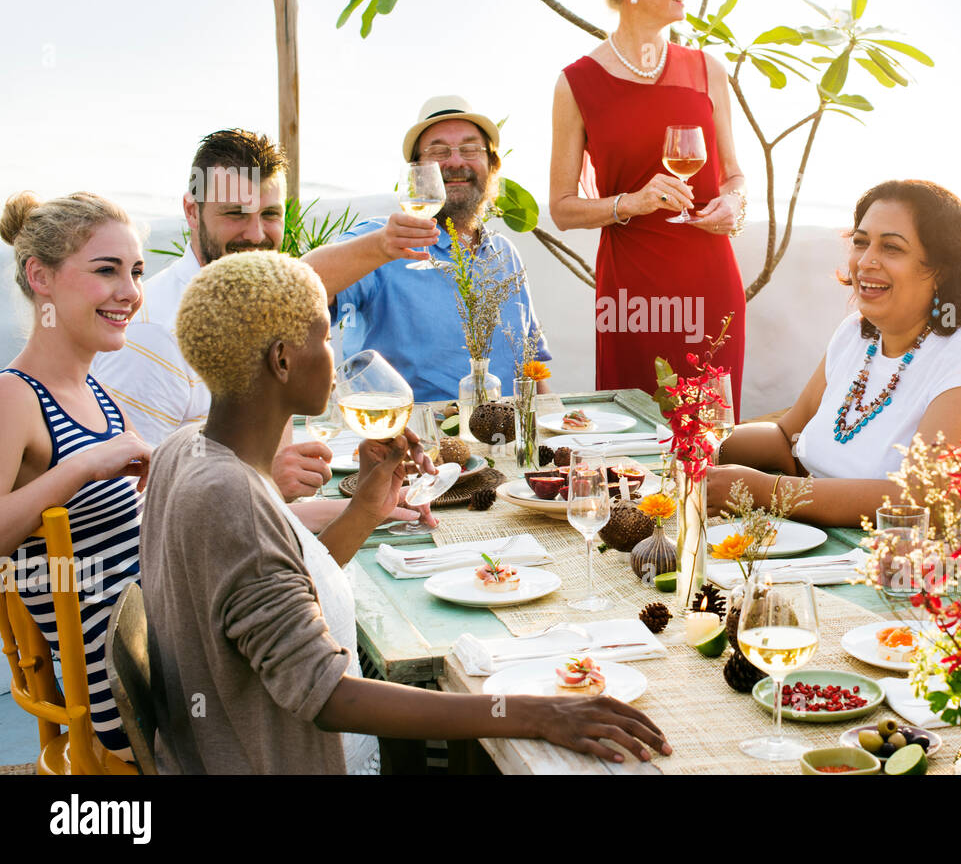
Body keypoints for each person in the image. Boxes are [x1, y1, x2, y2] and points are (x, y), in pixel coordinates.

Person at [141, 250, 670, 773]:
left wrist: (368, 508)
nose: (335, 354)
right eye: (325, 337)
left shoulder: (186, 451)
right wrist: (530, 713)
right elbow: (328, 697)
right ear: (282, 360)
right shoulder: (231, 500)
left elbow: (277, 587)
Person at [707, 179, 961, 528]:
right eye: (861, 242)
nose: (866, 261)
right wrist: (695, 440)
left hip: (935, 568)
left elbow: (927, 503)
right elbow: (786, 439)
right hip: (825, 546)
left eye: (891, 248)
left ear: (940, 269)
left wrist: (767, 492)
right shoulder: (856, 335)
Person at [549, 0, 747, 410]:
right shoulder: (577, 83)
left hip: (711, 282)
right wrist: (633, 203)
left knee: (707, 440)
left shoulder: (708, 71)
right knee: (633, 437)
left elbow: (735, 174)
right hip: (634, 296)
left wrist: (734, 203)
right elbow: (562, 208)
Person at [91, 129, 332, 502]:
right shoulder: (153, 332)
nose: (255, 235)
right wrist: (261, 485)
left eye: (270, 214)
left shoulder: (257, 309)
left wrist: (365, 507)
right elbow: (130, 504)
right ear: (192, 211)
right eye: (236, 214)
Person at [0, 190, 152, 762]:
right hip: (130, 687)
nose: (130, 291)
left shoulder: (97, 393)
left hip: (163, 643)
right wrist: (84, 464)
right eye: (106, 270)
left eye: (135, 272)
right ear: (40, 276)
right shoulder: (14, 396)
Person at [304, 95, 551, 402]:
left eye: (471, 149)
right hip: (409, 441)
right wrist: (379, 247)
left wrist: (551, 427)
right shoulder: (381, 242)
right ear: (416, 172)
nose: (456, 161)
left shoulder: (505, 253)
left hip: (504, 438)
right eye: (439, 151)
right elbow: (300, 285)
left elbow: (531, 362)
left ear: (492, 165)